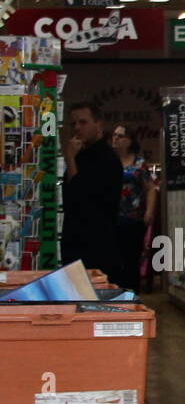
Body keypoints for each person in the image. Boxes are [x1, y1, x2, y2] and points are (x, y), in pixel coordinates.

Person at [61, 101, 123, 284]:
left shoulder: (108, 159)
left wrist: (70, 159)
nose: (77, 128)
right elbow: (69, 198)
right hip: (74, 244)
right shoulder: (81, 154)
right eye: (73, 124)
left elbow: (82, 198)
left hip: (97, 248)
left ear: (98, 124)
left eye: (83, 122)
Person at [110, 125, 158, 293]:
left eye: (120, 136)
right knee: (113, 258)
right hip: (110, 218)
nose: (115, 139)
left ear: (129, 141)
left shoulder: (139, 164)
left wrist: (149, 211)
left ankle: (132, 294)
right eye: (114, 135)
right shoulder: (108, 161)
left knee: (132, 257)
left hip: (133, 218)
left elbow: (150, 188)